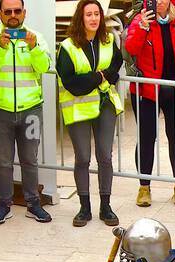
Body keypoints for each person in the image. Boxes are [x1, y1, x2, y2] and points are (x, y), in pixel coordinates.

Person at [0, 0, 53, 224]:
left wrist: (33, 48)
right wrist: (1, 49)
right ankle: (4, 204)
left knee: (30, 159)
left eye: (17, 11)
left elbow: (45, 67)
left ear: (24, 13)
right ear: (0, 14)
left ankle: (33, 204)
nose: (13, 15)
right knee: (3, 161)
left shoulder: (36, 37)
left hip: (30, 110)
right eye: (8, 11)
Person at [58, 0, 123, 229]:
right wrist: (97, 77)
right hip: (78, 108)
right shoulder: (67, 46)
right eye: (89, 14)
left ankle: (105, 205)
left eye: (97, 14)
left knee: (105, 156)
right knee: (83, 158)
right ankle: (84, 207)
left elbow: (116, 66)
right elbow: (71, 82)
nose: (94, 18)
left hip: (105, 104)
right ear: (80, 18)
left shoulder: (108, 40)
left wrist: (104, 76)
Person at [125, 0, 175, 212]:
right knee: (146, 138)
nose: (160, 2)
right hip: (146, 91)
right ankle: (144, 187)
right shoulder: (140, 20)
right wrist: (142, 28)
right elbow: (130, 48)